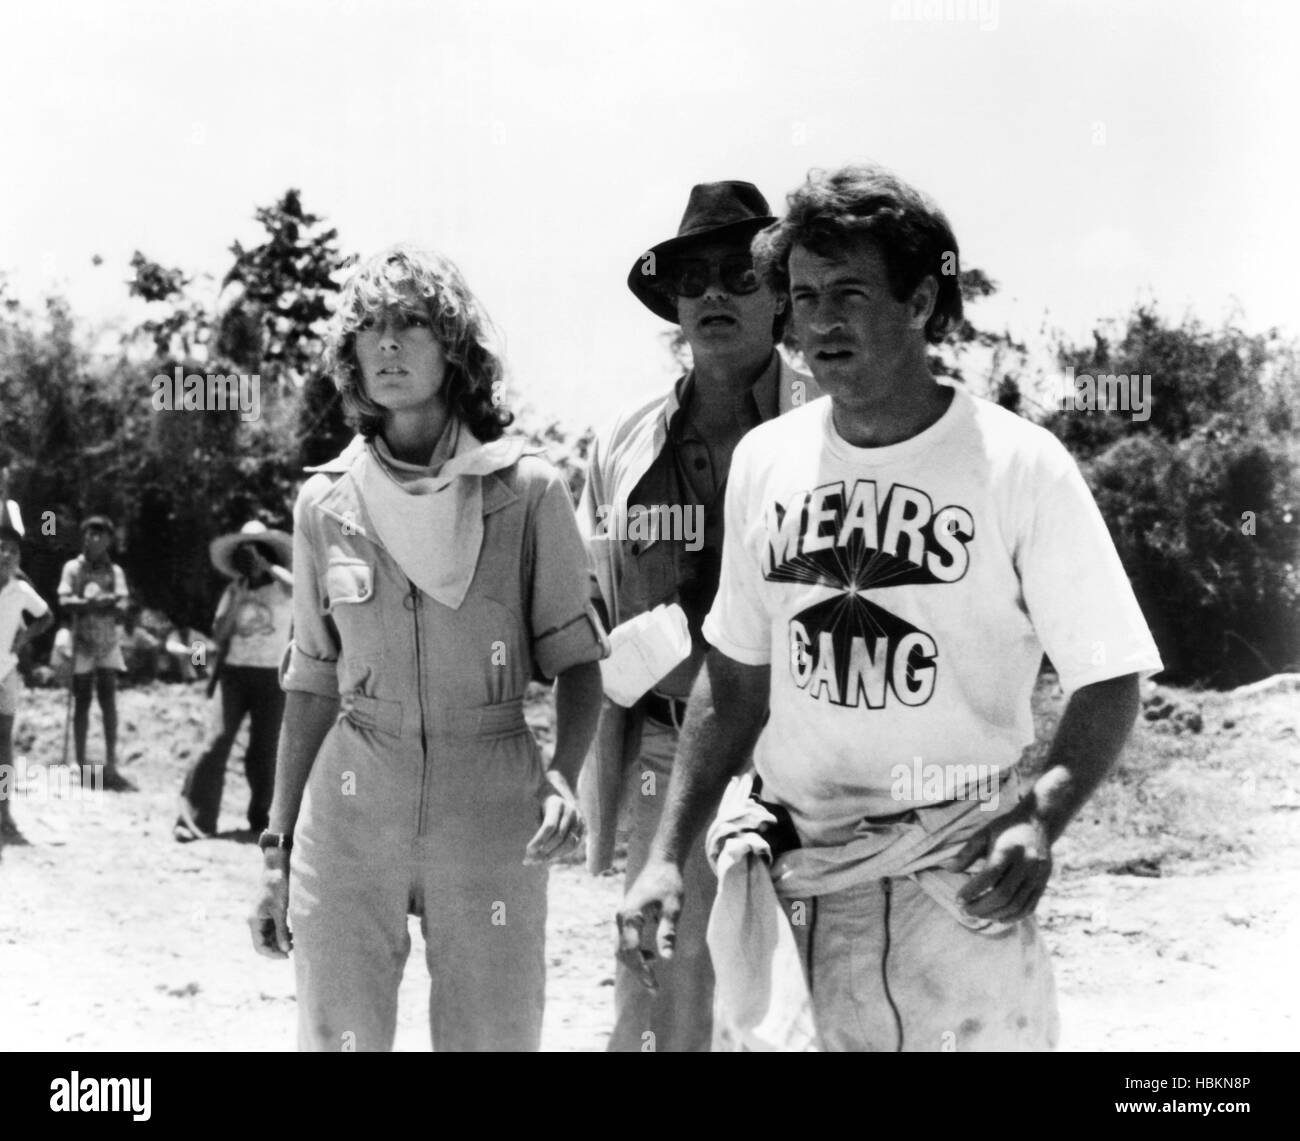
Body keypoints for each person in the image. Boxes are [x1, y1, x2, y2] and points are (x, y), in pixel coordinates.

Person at [617, 163, 1164, 1051]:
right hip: (802, 883)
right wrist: (665, 855)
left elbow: (1109, 677)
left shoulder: (1020, 466)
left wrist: (1040, 814)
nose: (820, 320)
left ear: (917, 301)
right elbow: (734, 683)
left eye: (849, 292)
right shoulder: (768, 461)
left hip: (961, 877)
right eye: (801, 296)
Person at [249, 245, 607, 1052]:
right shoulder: (324, 501)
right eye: (369, 326)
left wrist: (562, 777)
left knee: (493, 1037)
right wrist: (274, 847)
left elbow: (580, 662)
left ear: (454, 348)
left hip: (490, 803)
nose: (386, 342)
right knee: (337, 1036)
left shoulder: (526, 489)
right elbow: (310, 681)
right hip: (352, 798)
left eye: (411, 321)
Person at [578, 181, 817, 1052]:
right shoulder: (622, 443)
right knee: (661, 993)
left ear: (782, 295)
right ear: (673, 304)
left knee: (797, 1000)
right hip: (664, 751)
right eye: (694, 279)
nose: (714, 292)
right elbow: (584, 604)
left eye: (738, 274)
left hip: (804, 751)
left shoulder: (835, 426)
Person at [174, 522, 293, 841]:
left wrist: (268, 567)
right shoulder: (234, 590)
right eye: (245, 555)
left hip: (273, 675)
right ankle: (194, 820)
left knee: (265, 751)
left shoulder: (282, 586)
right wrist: (239, 597)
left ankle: (264, 820)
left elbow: (300, 589)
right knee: (216, 741)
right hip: (234, 674)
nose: (250, 560)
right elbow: (218, 634)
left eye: (255, 553)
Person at [58, 515, 135, 791]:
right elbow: (64, 600)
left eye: (100, 534)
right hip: (81, 641)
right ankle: (79, 762)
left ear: (109, 540)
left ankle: (111, 762)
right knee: (82, 701)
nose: (93, 539)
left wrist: (93, 604)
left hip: (107, 643)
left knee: (108, 700)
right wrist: (99, 602)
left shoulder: (115, 572)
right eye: (90, 534)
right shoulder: (73, 568)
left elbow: (123, 604)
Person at [1, 502, 54, 841]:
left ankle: (3, 810)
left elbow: (46, 616)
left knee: (3, 745)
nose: (6, 555)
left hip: (6, 674)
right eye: (1, 549)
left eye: (12, 551)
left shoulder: (20, 591)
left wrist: (24, 638)